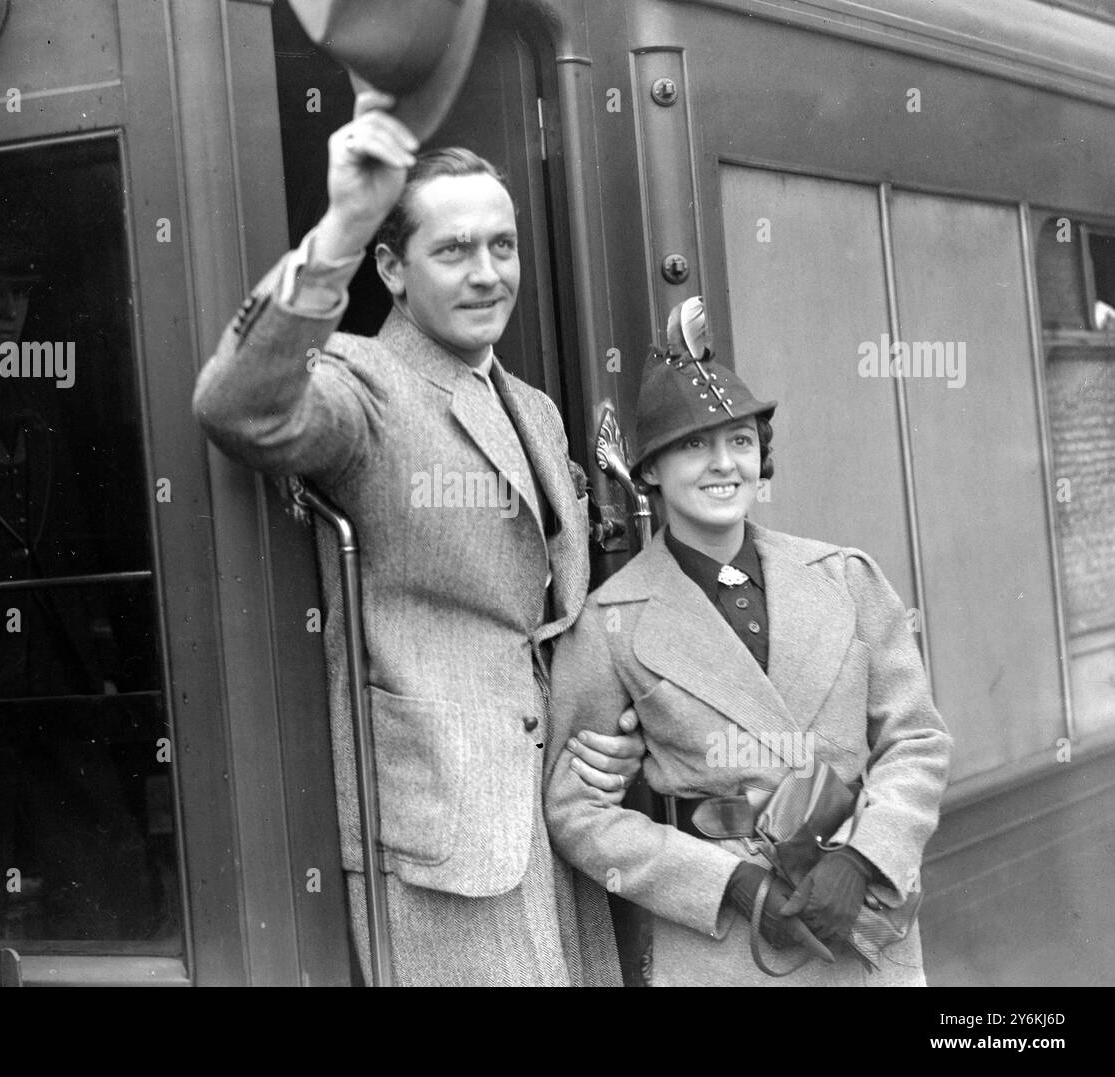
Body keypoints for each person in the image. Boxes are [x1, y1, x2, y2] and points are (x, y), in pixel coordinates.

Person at [193, 92, 642, 986]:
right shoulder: (366, 382)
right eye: (454, 250)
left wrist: (605, 732)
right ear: (392, 270)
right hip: (446, 837)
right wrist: (342, 225)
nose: (488, 273)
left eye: (502, 246)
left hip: (555, 815)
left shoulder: (538, 409)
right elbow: (236, 402)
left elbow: (548, 622)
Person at [543, 298, 954, 986]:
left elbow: (917, 741)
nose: (722, 464)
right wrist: (732, 885)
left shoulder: (845, 577)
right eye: (692, 445)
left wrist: (863, 857)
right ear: (648, 471)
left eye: (739, 441)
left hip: (863, 925)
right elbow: (576, 809)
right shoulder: (610, 620)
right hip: (725, 946)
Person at [0, 200, 152, 943]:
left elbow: (71, 538)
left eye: (23, 289)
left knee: (105, 859)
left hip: (58, 671)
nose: (14, 308)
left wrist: (101, 657)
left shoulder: (32, 395)